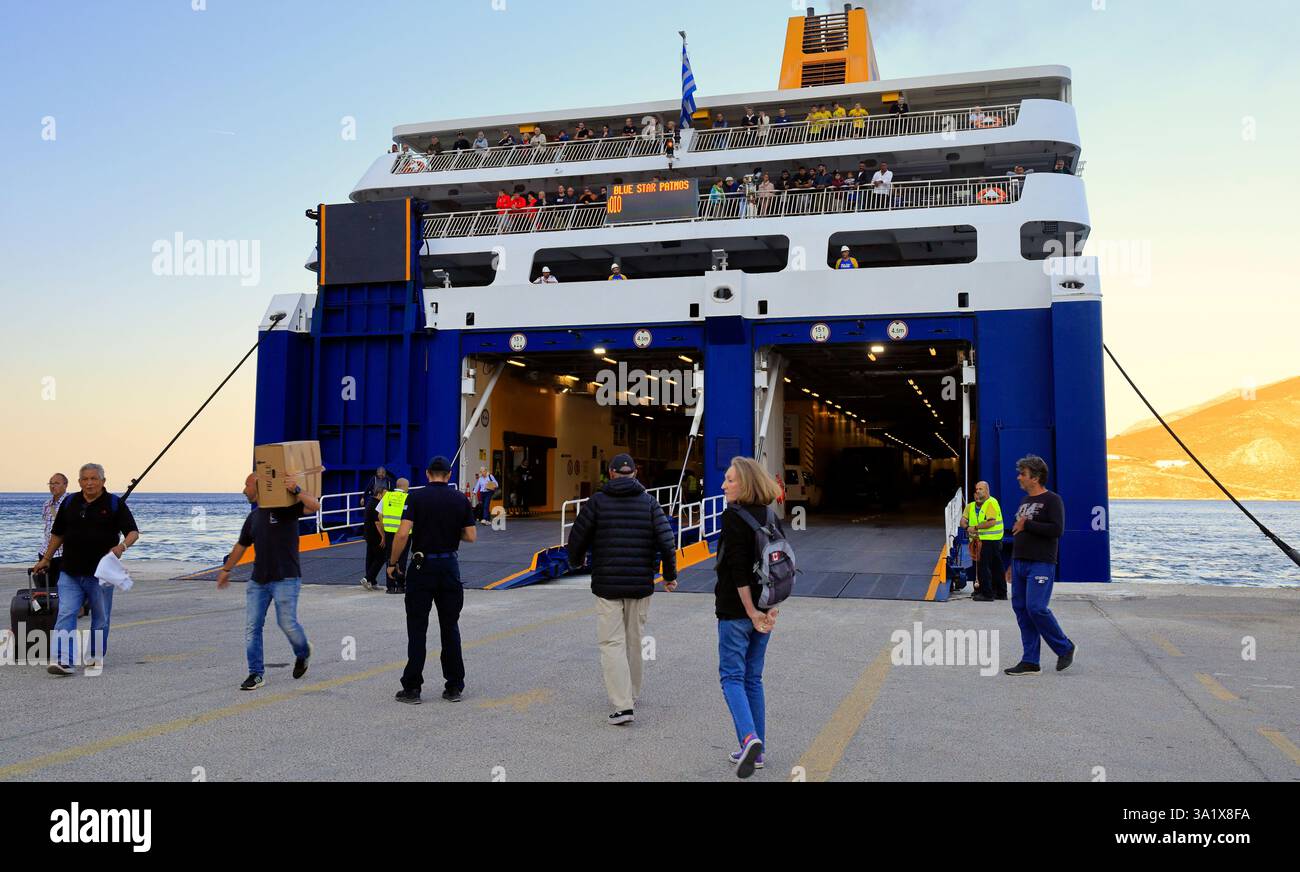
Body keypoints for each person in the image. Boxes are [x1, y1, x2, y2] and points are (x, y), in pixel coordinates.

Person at [566, 453, 677, 726]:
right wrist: (669, 576)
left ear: (611, 474)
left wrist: (576, 561)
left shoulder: (597, 503)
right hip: (640, 585)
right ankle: (633, 693)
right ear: (635, 474)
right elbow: (666, 541)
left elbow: (577, 537)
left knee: (611, 643)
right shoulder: (650, 504)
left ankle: (622, 703)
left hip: (607, 585)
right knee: (634, 640)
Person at [34, 463, 139, 674]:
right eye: (85, 479)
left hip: (101, 573)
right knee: (66, 613)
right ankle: (64, 660)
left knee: (100, 619)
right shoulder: (70, 502)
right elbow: (58, 533)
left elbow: (133, 532)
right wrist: (46, 558)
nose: (89, 483)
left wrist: (121, 547)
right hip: (70, 570)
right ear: (79, 481)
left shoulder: (114, 503)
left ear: (103, 481)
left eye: (94, 479)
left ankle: (94, 656)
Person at [216, 472, 317, 690]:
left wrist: (297, 489)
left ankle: (303, 651)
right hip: (258, 581)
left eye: (247, 486)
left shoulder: (286, 509)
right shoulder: (253, 518)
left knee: (287, 623)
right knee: (253, 626)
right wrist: (226, 569)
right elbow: (241, 546)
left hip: (286, 578)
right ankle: (256, 674)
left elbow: (314, 506)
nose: (244, 490)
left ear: (259, 486)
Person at [389, 456, 477, 704]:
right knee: (450, 626)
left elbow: (403, 533)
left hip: (422, 565)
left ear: (428, 474)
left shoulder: (415, 498)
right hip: (449, 566)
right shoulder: (460, 499)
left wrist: (393, 563)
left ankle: (413, 688)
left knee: (417, 628)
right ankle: (454, 686)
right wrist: (450, 531)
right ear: (449, 475)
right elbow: (471, 536)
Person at [714, 456, 781, 778]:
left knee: (731, 677)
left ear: (745, 483)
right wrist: (770, 609)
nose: (723, 484)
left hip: (736, 610)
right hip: (767, 608)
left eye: (729, 479)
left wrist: (752, 611)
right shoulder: (770, 514)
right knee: (753, 678)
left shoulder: (733, 517)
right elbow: (781, 566)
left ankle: (748, 737)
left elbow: (738, 571)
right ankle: (756, 752)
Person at [1003, 455, 1077, 676]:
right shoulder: (1024, 502)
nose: (1019, 477)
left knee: (1036, 607)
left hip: (1041, 562)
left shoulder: (1053, 500)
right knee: (1021, 609)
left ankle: (1064, 647)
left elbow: (1057, 530)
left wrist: (1028, 524)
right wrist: (1011, 564)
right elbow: (1019, 533)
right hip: (1019, 563)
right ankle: (1030, 661)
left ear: (1034, 478)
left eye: (1022, 474)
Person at [959, 480, 1006, 601]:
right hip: (981, 540)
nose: (978, 492)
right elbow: (963, 521)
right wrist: (967, 527)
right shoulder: (970, 506)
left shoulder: (990, 503)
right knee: (995, 567)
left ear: (987, 490)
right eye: (976, 490)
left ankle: (987, 593)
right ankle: (1000, 592)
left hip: (990, 540)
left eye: (981, 489)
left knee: (984, 567)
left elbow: (991, 522)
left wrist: (974, 528)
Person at [380, 478, 411, 593]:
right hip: (404, 533)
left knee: (390, 558)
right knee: (402, 558)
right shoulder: (408, 497)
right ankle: (400, 586)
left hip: (389, 532)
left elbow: (379, 514)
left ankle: (390, 586)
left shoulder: (387, 496)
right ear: (405, 487)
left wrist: (384, 530)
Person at [40, 472, 70, 587]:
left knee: (64, 589)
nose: (53, 486)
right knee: (46, 590)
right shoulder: (47, 504)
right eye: (51, 483)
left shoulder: (71, 503)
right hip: (45, 552)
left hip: (64, 553)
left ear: (65, 485)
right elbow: (46, 527)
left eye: (56, 483)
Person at [361, 481, 387, 591]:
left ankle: (372, 581)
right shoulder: (377, 505)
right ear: (379, 494)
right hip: (375, 535)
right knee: (381, 557)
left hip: (368, 534)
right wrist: (383, 537)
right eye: (385, 494)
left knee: (370, 557)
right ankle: (368, 578)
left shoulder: (370, 502)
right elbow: (377, 523)